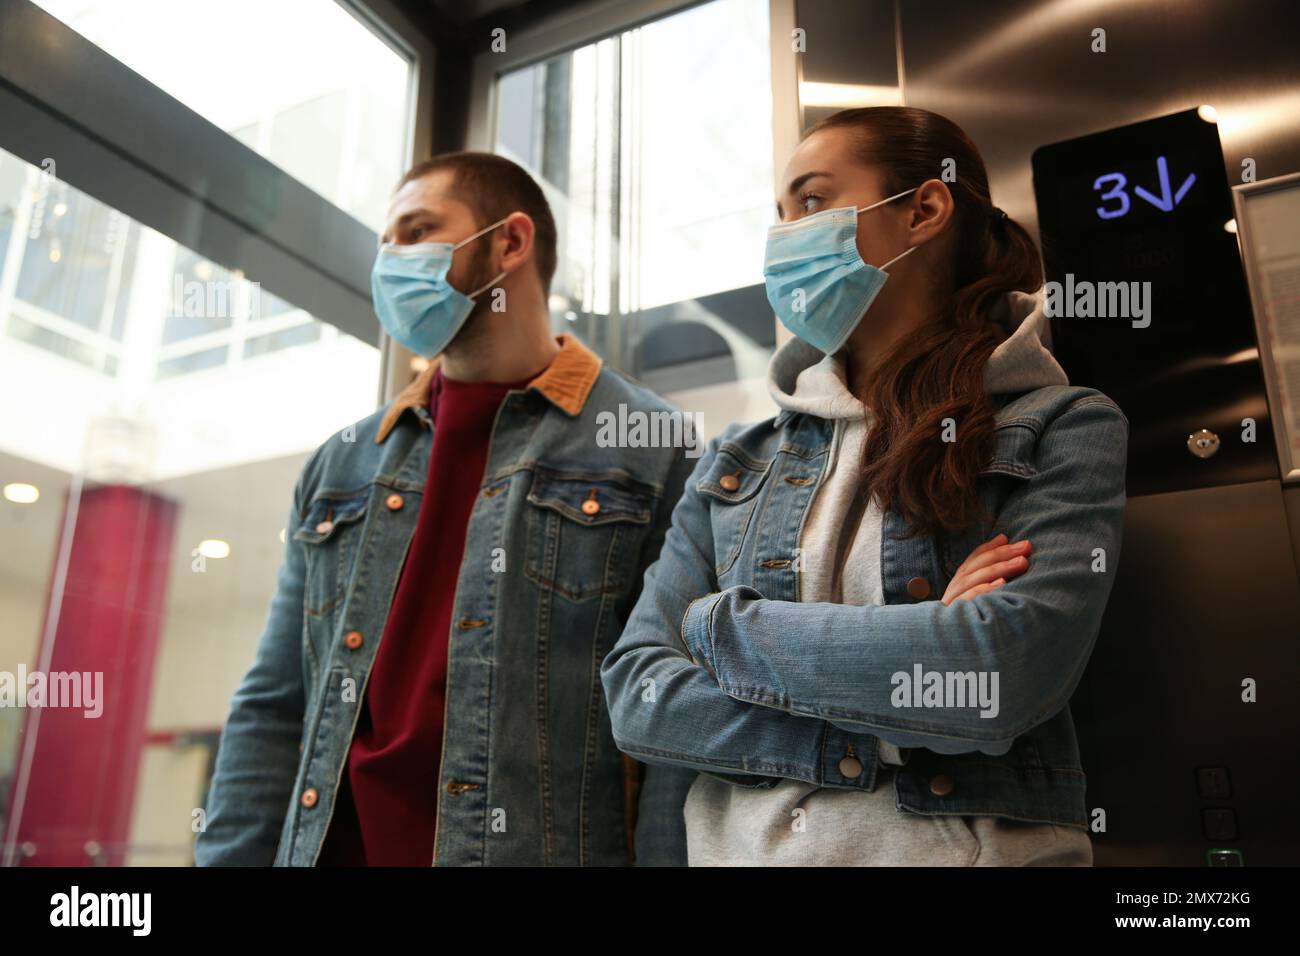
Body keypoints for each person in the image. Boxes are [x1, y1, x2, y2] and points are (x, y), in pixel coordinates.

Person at [602, 106, 1129, 865]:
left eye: (811, 202)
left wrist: (721, 629)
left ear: (923, 209)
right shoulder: (732, 462)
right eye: (778, 213)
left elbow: (998, 673)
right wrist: (912, 676)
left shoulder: (1062, 424)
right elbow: (640, 698)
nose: (784, 234)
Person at [196, 152, 696, 866]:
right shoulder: (345, 461)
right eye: (385, 244)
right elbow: (274, 704)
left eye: (417, 231)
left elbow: (673, 728)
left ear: (510, 243)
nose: (391, 261)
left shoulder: (651, 448)